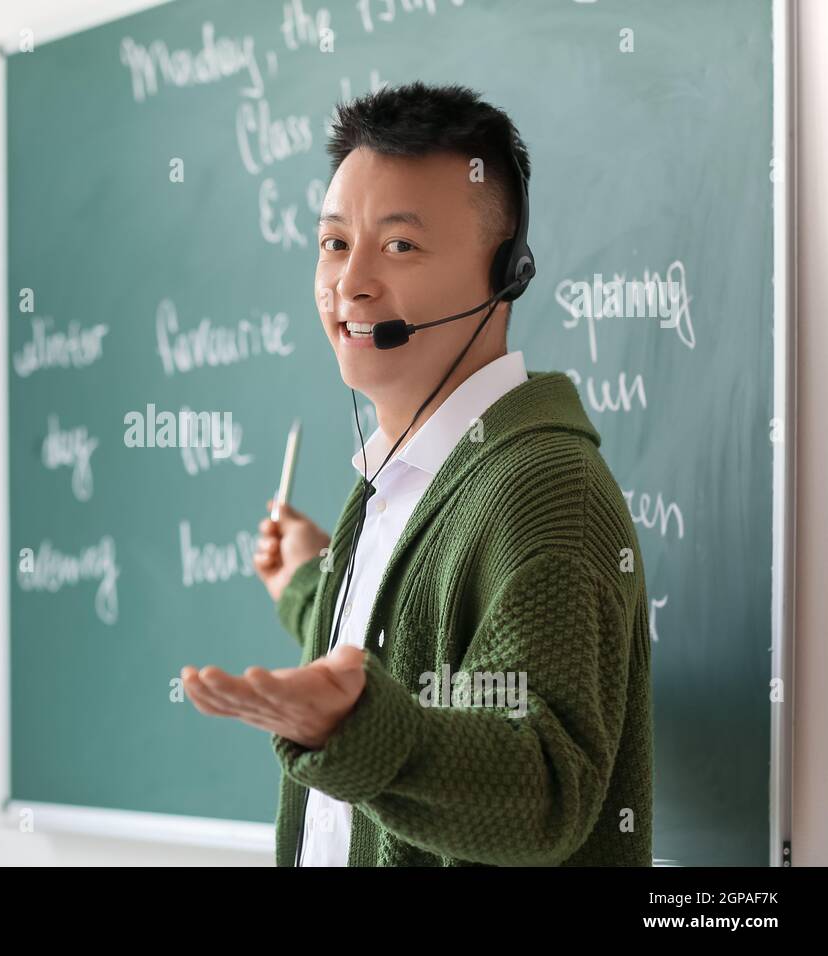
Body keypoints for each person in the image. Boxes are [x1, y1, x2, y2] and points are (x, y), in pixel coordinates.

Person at [180, 81, 653, 866]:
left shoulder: (541, 493)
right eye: (334, 242)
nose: (350, 283)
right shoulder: (400, 485)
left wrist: (350, 731)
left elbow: (543, 784)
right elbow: (417, 659)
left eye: (399, 245)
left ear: (507, 273)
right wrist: (311, 584)